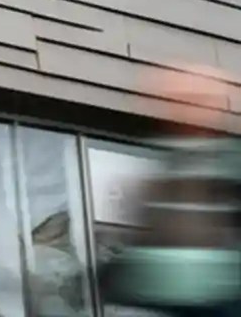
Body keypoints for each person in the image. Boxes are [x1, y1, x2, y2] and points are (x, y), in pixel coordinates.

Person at [99, 65, 241, 317]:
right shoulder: (162, 165)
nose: (185, 111)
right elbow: (146, 233)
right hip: (169, 290)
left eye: (195, 102)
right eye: (177, 102)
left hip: (216, 294)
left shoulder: (228, 162)